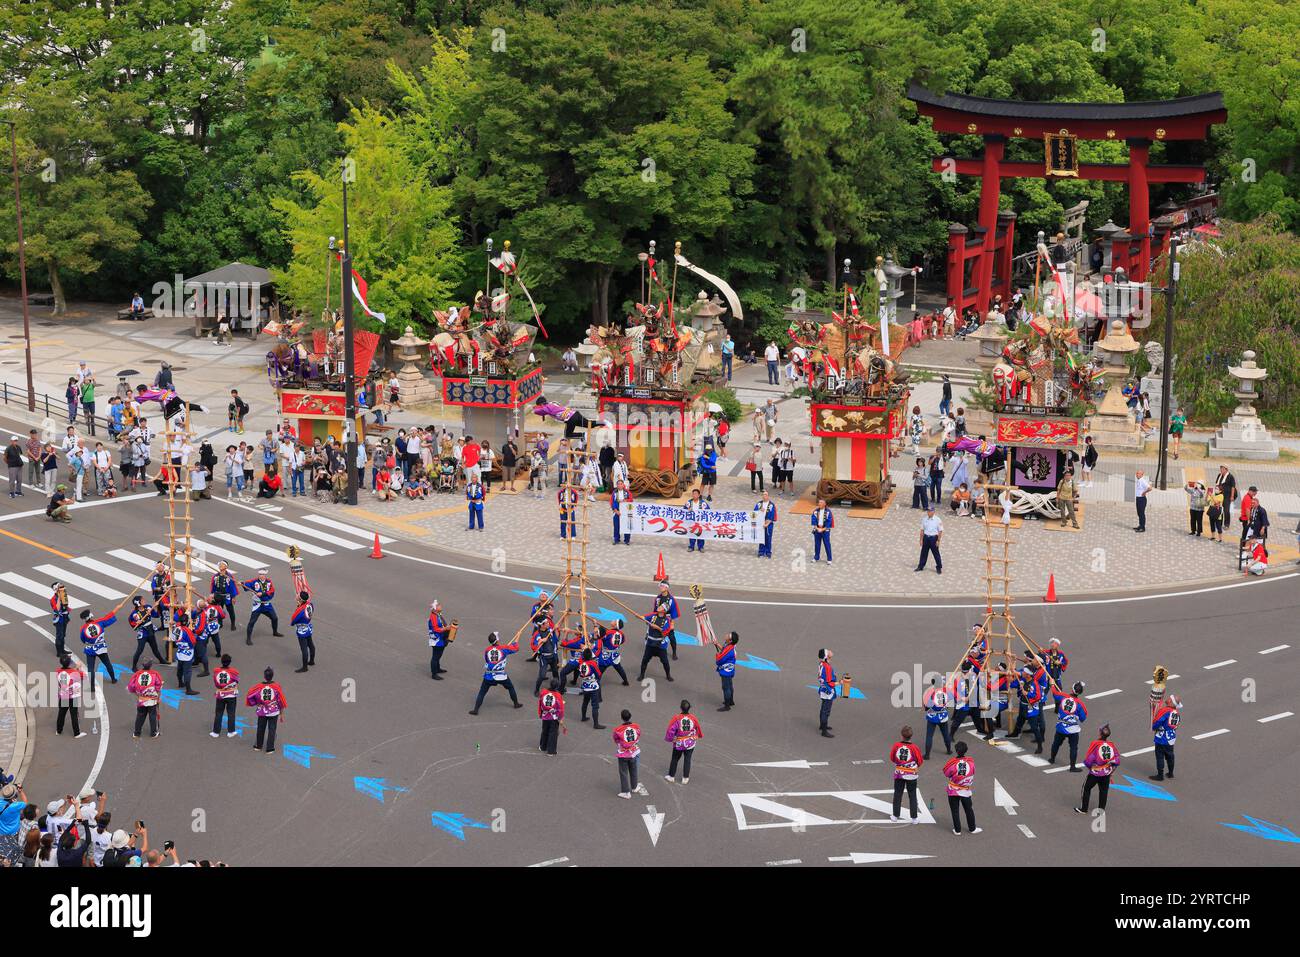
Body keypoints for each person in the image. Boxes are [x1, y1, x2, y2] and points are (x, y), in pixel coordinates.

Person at [469, 631, 523, 714]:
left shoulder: (487, 650)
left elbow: (487, 660)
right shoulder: (504, 648)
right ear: (497, 640)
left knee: (482, 692)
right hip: (501, 675)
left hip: (489, 675)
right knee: (510, 688)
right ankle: (516, 703)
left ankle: (476, 709)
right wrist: (518, 636)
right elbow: (516, 648)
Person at [1076, 725, 1121, 815]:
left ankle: (1084, 809)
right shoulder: (1111, 745)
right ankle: (1101, 810)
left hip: (1095, 773)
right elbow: (1117, 759)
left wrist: (1091, 767)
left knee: (1086, 788)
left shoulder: (1096, 744)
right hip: (1106, 773)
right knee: (1104, 792)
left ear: (1100, 733)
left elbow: (1089, 760)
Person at [1008, 663, 1048, 754]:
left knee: (1034, 727)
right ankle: (1015, 733)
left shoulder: (1035, 684)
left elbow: (1037, 696)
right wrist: (1011, 679)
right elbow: (1013, 684)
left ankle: (1040, 746)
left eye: (1025, 672)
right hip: (1023, 704)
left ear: (1029, 674)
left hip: (1031, 708)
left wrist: (1027, 694)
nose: (1023, 673)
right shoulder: (1022, 680)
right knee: (1020, 719)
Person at [1049, 680, 1089, 771]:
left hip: (1061, 727)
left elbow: (1055, 694)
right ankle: (1072, 766)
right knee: (1073, 747)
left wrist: (1052, 684)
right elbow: (1083, 718)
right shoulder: (1080, 704)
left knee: (1056, 744)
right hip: (1073, 729)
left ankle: (1052, 759)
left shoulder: (1063, 696)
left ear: (1072, 689)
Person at [246, 667, 287, 753]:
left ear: (264, 676)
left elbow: (250, 694)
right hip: (273, 711)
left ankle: (258, 746)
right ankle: (270, 748)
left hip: (262, 711)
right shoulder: (276, 687)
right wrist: (281, 714)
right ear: (272, 676)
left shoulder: (259, 687)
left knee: (260, 728)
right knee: (272, 729)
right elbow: (281, 701)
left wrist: (257, 703)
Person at [943, 742, 981, 835]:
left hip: (953, 790)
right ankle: (972, 828)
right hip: (965, 790)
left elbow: (946, 773)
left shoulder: (952, 762)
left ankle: (957, 830)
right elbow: (973, 772)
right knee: (968, 809)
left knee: (955, 810)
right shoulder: (971, 762)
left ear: (956, 751)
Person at [888, 727, 924, 823]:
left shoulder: (897, 745)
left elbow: (892, 757)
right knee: (912, 795)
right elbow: (920, 761)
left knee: (898, 794)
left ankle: (895, 815)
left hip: (899, 773)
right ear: (911, 736)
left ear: (902, 735)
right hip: (911, 774)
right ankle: (914, 818)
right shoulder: (914, 747)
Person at [78, 609, 117, 693]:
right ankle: (113, 679)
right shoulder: (99, 622)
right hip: (101, 648)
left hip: (90, 649)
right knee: (107, 663)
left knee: (91, 668)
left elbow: (83, 640)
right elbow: (108, 619)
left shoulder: (83, 629)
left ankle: (92, 687)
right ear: (90, 615)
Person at [664, 700, 702, 785]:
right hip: (690, 742)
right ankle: (685, 777)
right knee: (687, 759)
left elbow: (671, 729)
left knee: (675, 758)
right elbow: (697, 728)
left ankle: (671, 776)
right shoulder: (693, 718)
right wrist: (698, 735)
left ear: (680, 708)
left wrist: (670, 739)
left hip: (679, 742)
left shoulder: (677, 718)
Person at [240, 569, 281, 644]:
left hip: (266, 604)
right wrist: (241, 583)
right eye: (260, 574)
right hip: (257, 605)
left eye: (262, 574)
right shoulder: (254, 581)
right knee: (252, 622)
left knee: (275, 618)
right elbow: (246, 584)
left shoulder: (269, 581)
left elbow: (272, 591)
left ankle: (275, 632)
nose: (261, 576)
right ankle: (248, 638)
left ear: (265, 575)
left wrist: (262, 594)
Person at [614, 710, 647, 798]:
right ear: (630, 716)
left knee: (623, 772)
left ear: (621, 718)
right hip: (633, 751)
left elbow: (616, 739)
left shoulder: (618, 729)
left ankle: (625, 792)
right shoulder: (636, 726)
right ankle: (634, 787)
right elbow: (639, 735)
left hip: (623, 753)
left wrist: (620, 745)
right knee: (633, 769)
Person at [128, 659, 163, 738]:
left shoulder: (137, 674)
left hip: (141, 699)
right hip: (152, 699)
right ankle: (153, 733)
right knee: (152, 716)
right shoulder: (155, 674)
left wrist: (136, 693)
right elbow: (159, 686)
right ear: (151, 665)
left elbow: (130, 686)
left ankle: (137, 733)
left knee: (140, 715)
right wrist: (158, 696)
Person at [1150, 693, 1181, 782]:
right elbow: (1177, 725)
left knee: (1160, 756)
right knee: (1170, 755)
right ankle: (1170, 773)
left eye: (1169, 699)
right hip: (1171, 738)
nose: (1167, 699)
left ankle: (1160, 775)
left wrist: (1153, 727)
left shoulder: (1165, 711)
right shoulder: (1176, 712)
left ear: (1171, 702)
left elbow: (1157, 722)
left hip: (1162, 737)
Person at [55, 655, 86, 738]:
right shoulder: (75, 672)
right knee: (74, 714)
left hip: (64, 695)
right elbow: (84, 676)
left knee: (61, 713)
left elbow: (69, 673)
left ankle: (58, 730)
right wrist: (79, 668)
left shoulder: (58, 671)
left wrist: (76, 668)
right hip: (73, 696)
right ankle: (76, 733)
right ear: (69, 663)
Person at [170, 611, 200, 697]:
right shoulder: (187, 631)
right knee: (187, 671)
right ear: (187, 622)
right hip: (187, 652)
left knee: (180, 668)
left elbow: (173, 638)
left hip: (180, 651)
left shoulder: (176, 628)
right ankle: (188, 689)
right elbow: (193, 642)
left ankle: (180, 682)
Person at [637, 613, 674, 682]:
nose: (659, 607)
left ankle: (668, 675)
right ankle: (642, 675)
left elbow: (665, 633)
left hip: (660, 645)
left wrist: (657, 628)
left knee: (665, 662)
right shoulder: (653, 616)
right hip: (650, 644)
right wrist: (639, 616)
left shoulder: (667, 620)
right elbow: (644, 617)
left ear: (664, 611)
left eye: (661, 606)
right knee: (645, 660)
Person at [921, 676, 951, 759]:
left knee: (929, 736)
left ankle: (927, 755)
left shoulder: (930, 693)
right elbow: (948, 705)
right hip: (943, 716)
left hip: (932, 717)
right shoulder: (946, 692)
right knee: (946, 735)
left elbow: (926, 707)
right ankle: (949, 750)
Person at [211, 655, 240, 738]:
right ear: (230, 662)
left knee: (219, 713)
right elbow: (236, 681)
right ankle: (231, 731)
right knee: (231, 713)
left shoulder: (216, 671)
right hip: (231, 695)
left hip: (220, 694)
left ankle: (216, 732)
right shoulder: (234, 672)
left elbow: (216, 683)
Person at [530, 615, 559, 694]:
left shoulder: (550, 630)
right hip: (544, 657)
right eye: (546, 623)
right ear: (542, 625)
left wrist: (556, 630)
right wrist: (543, 640)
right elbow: (537, 643)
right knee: (542, 675)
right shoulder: (537, 633)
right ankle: (536, 690)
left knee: (555, 672)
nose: (548, 623)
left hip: (553, 656)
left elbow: (556, 639)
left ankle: (557, 688)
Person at [712, 630, 739, 711]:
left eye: (728, 635)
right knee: (730, 685)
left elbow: (720, 659)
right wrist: (717, 644)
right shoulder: (729, 646)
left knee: (726, 687)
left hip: (726, 670)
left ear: (730, 640)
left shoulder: (729, 651)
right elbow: (723, 649)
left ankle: (727, 706)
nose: (726, 635)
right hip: (730, 669)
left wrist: (717, 655)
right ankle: (731, 701)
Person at [290, 590, 316, 673]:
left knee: (304, 649)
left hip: (302, 630)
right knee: (311, 644)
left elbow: (293, 621)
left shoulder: (300, 609)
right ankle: (311, 661)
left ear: (301, 600)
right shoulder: (309, 604)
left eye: (298, 595)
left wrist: (298, 607)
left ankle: (305, 667)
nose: (296, 595)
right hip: (308, 627)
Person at [577, 650, 605, 728]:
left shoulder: (581, 663)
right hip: (593, 686)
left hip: (585, 686)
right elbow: (598, 674)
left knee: (585, 702)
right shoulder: (592, 663)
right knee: (595, 705)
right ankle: (596, 724)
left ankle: (583, 717)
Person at [537, 681, 565, 755]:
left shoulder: (543, 692)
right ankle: (551, 751)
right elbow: (560, 708)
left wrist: (540, 713)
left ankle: (543, 746)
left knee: (544, 731)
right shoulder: (558, 695)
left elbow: (540, 703)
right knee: (553, 734)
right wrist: (560, 718)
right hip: (553, 717)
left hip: (545, 716)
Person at [428, 599, 452, 680]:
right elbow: (436, 629)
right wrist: (446, 628)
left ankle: (437, 668)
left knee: (439, 655)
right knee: (435, 657)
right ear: (435, 609)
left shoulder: (438, 614)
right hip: (436, 640)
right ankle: (434, 674)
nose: (440, 605)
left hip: (441, 638)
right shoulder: (433, 617)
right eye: (438, 605)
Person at [816, 648, 837, 738]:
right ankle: (824, 731)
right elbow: (829, 683)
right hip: (828, 691)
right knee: (826, 710)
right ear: (826, 656)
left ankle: (822, 725)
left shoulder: (822, 664)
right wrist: (840, 682)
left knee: (823, 708)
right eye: (828, 652)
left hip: (823, 690)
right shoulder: (827, 667)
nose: (830, 652)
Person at [916, 506, 943, 574]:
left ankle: (939, 567)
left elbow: (940, 531)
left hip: (933, 538)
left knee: (936, 553)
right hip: (926, 538)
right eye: (928, 511)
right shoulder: (924, 519)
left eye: (930, 511)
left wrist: (938, 541)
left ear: (933, 512)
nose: (928, 512)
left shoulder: (938, 520)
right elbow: (922, 530)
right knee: (923, 553)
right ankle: (921, 566)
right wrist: (921, 540)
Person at [1215, 465, 1237, 531]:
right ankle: (1219, 523)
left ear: (1226, 469)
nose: (1221, 470)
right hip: (1219, 495)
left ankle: (1226, 524)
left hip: (1227, 496)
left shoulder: (1230, 476)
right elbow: (1217, 484)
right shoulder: (1219, 475)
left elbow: (1233, 487)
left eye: (1222, 469)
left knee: (1226, 510)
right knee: (1219, 509)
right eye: (1220, 469)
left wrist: (1232, 496)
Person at [811, 498, 833, 563]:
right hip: (817, 529)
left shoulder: (828, 512)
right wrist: (817, 528)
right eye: (819, 502)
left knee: (827, 544)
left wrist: (823, 529)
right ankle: (816, 557)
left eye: (821, 503)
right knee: (817, 544)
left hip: (825, 530)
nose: (819, 504)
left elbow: (829, 522)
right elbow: (813, 520)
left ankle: (829, 559)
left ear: (824, 504)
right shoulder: (816, 511)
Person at [755, 490, 777, 558]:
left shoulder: (771, 505)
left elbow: (773, 515)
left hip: (768, 524)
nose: (764, 496)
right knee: (761, 538)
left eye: (766, 494)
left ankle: (768, 552)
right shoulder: (759, 504)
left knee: (768, 538)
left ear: (768, 496)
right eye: (763, 494)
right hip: (760, 524)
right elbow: (754, 513)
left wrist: (768, 523)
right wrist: (759, 511)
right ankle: (761, 552)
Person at [610, 480, 632, 545]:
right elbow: (612, 502)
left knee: (627, 526)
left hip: (626, 512)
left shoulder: (627, 492)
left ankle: (627, 540)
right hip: (617, 511)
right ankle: (616, 539)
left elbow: (631, 500)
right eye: (618, 484)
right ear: (617, 485)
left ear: (623, 485)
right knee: (616, 526)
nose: (620, 485)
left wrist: (625, 500)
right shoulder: (614, 493)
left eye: (621, 484)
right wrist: (615, 510)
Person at [1133, 468, 1150, 532]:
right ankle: (1140, 525)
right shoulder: (1139, 480)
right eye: (1136, 473)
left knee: (1141, 513)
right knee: (1139, 513)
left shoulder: (1143, 481)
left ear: (1142, 475)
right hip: (1138, 498)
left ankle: (1142, 527)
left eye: (1138, 473)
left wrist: (1144, 492)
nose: (1136, 474)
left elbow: (1150, 488)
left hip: (1141, 499)